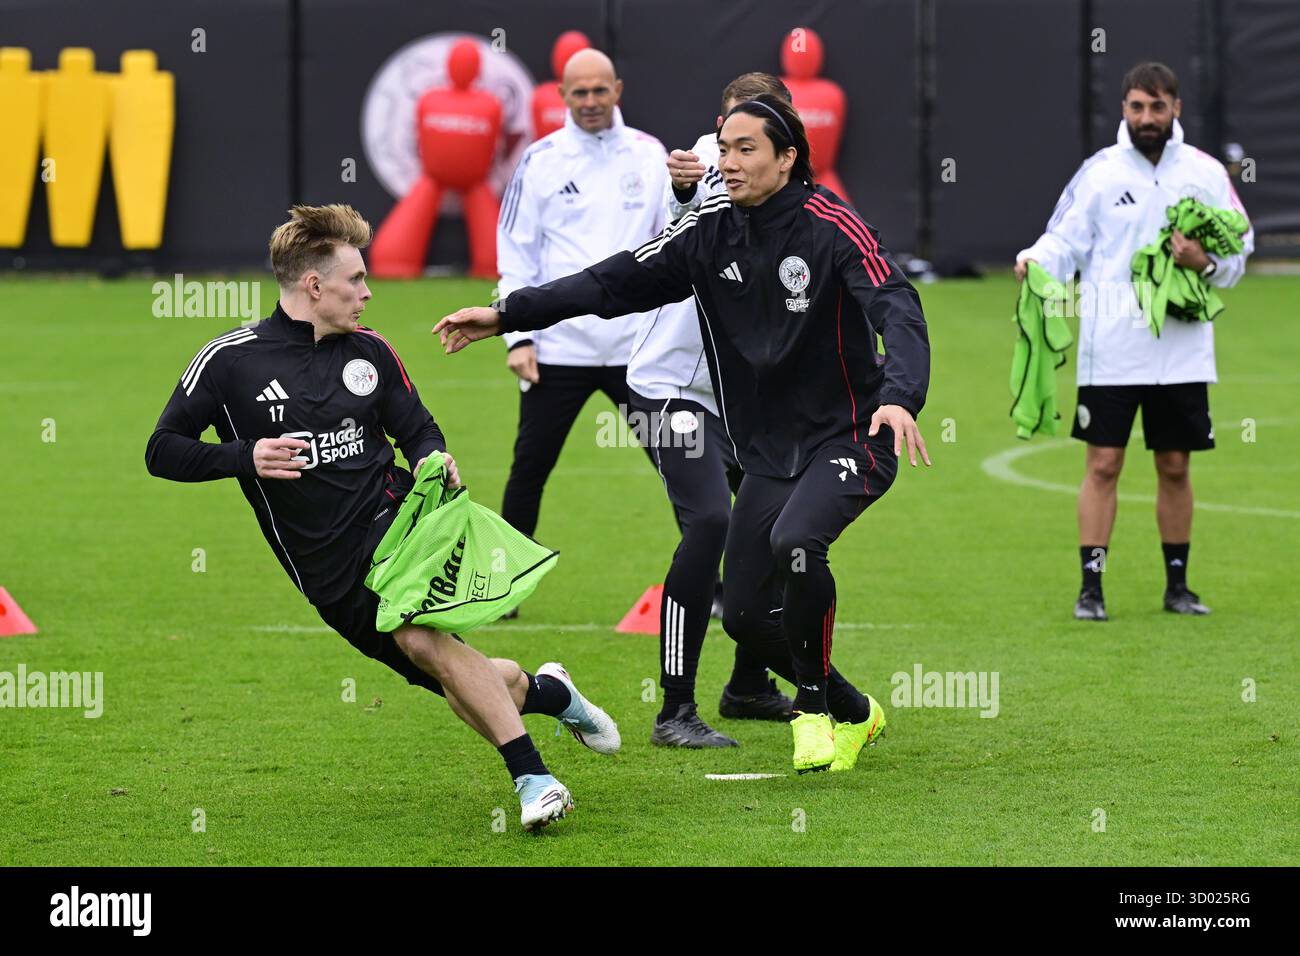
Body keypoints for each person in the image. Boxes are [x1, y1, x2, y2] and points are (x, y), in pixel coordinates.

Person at [436, 95, 932, 775]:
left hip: (853, 433)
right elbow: (611, 281)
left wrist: (901, 398)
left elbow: (896, 307)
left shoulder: (831, 224)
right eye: (724, 148)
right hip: (769, 452)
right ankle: (855, 712)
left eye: (746, 149)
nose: (728, 161)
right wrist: (509, 314)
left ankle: (813, 711)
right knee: (748, 617)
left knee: (796, 541)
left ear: (789, 158)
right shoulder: (708, 230)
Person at [145, 204, 619, 832]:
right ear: (315, 286)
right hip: (326, 571)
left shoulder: (370, 351)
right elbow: (162, 450)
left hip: (398, 524)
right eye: (356, 280)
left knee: (423, 638)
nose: (368, 293)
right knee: (452, 677)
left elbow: (416, 427)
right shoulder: (231, 361)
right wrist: (244, 456)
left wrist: (433, 455)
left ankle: (534, 779)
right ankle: (553, 693)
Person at [1014, 62, 1253, 621]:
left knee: (1174, 465)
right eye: (1138, 107)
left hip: (1182, 348)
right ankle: (1091, 589)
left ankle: (1178, 586)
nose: (1148, 117)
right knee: (1103, 464)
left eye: (1158, 106)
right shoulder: (1098, 173)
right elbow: (1062, 241)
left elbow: (1238, 251)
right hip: (1112, 349)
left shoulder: (1206, 173)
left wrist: (1206, 261)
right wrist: (1033, 261)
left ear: (1176, 108)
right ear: (1123, 109)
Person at [632, 72, 800, 749]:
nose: (734, 152)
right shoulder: (697, 170)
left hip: (744, 396)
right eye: (729, 130)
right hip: (666, 386)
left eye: (754, 133)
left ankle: (749, 685)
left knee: (776, 533)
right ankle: (674, 709)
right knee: (709, 521)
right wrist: (680, 189)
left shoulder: (790, 188)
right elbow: (669, 238)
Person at [495, 48, 666, 547]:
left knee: (683, 467)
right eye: (580, 92)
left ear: (617, 90)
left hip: (638, 349)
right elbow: (516, 256)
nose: (591, 101)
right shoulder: (540, 161)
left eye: (599, 90)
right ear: (563, 95)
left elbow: (675, 248)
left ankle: (718, 588)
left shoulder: (650, 154)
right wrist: (518, 338)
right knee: (529, 469)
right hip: (557, 350)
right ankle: (500, 585)